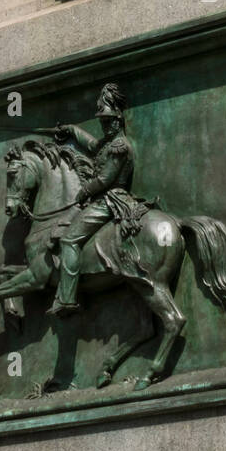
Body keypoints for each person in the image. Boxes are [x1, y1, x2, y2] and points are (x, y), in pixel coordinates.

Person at [50, 83, 135, 316]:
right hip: (101, 199)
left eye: (108, 121)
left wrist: (84, 190)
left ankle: (66, 299)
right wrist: (71, 130)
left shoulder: (119, 146)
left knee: (69, 241)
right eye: (102, 122)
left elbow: (105, 179)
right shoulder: (107, 143)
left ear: (118, 120)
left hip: (109, 201)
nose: (104, 125)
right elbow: (91, 144)